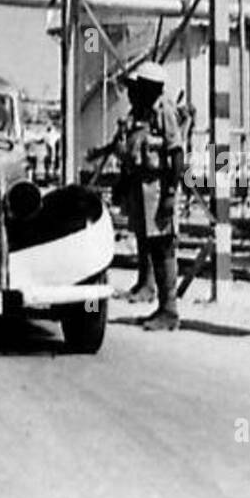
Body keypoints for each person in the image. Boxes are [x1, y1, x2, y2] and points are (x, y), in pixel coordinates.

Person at [113, 63, 184, 328]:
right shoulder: (141, 113)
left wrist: (170, 193)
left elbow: (177, 154)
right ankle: (160, 305)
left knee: (164, 246)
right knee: (152, 246)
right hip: (143, 189)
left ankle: (170, 310)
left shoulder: (164, 111)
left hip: (159, 187)